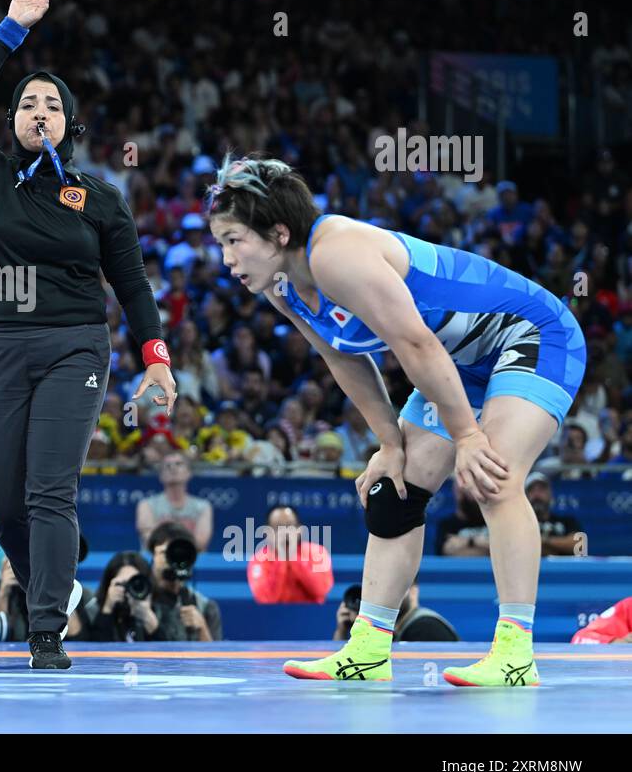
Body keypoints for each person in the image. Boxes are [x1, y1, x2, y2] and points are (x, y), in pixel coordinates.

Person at [205, 157, 587, 685]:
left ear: (278, 232)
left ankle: (515, 654)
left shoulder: (336, 253)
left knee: (493, 478)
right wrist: (390, 443)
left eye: (232, 240)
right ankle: (367, 650)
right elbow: (344, 358)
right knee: (394, 491)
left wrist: (469, 436)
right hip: (458, 359)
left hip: (531, 334)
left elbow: (414, 344)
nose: (226, 258)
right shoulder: (281, 285)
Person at [0, 0, 176, 669]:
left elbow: (134, 287)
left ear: (68, 122)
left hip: (75, 347)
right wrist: (13, 27)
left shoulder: (100, 197)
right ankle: (59, 575)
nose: (37, 111)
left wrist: (157, 361)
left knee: (51, 488)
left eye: (50, 103)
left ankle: (45, 628)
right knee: (1, 505)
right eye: (25, 104)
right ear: (11, 122)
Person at [147, 522, 222, 641]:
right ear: (153, 555)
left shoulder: (205, 607)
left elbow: (216, 657)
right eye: (164, 553)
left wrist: (202, 628)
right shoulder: (140, 600)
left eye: (177, 553)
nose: (170, 559)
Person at [247, 505, 334, 604]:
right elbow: (266, 599)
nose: (284, 532)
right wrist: (282, 559)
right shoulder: (259, 559)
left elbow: (321, 590)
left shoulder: (317, 552)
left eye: (289, 526)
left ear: (299, 530)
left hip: (311, 616)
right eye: (277, 527)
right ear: (267, 532)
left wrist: (293, 557)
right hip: (273, 617)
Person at [134, 451, 213, 552]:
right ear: (161, 476)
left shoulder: (203, 506)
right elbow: (150, 540)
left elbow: (201, 543)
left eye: (178, 464)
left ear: (189, 473)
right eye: (167, 466)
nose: (173, 468)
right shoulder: (146, 505)